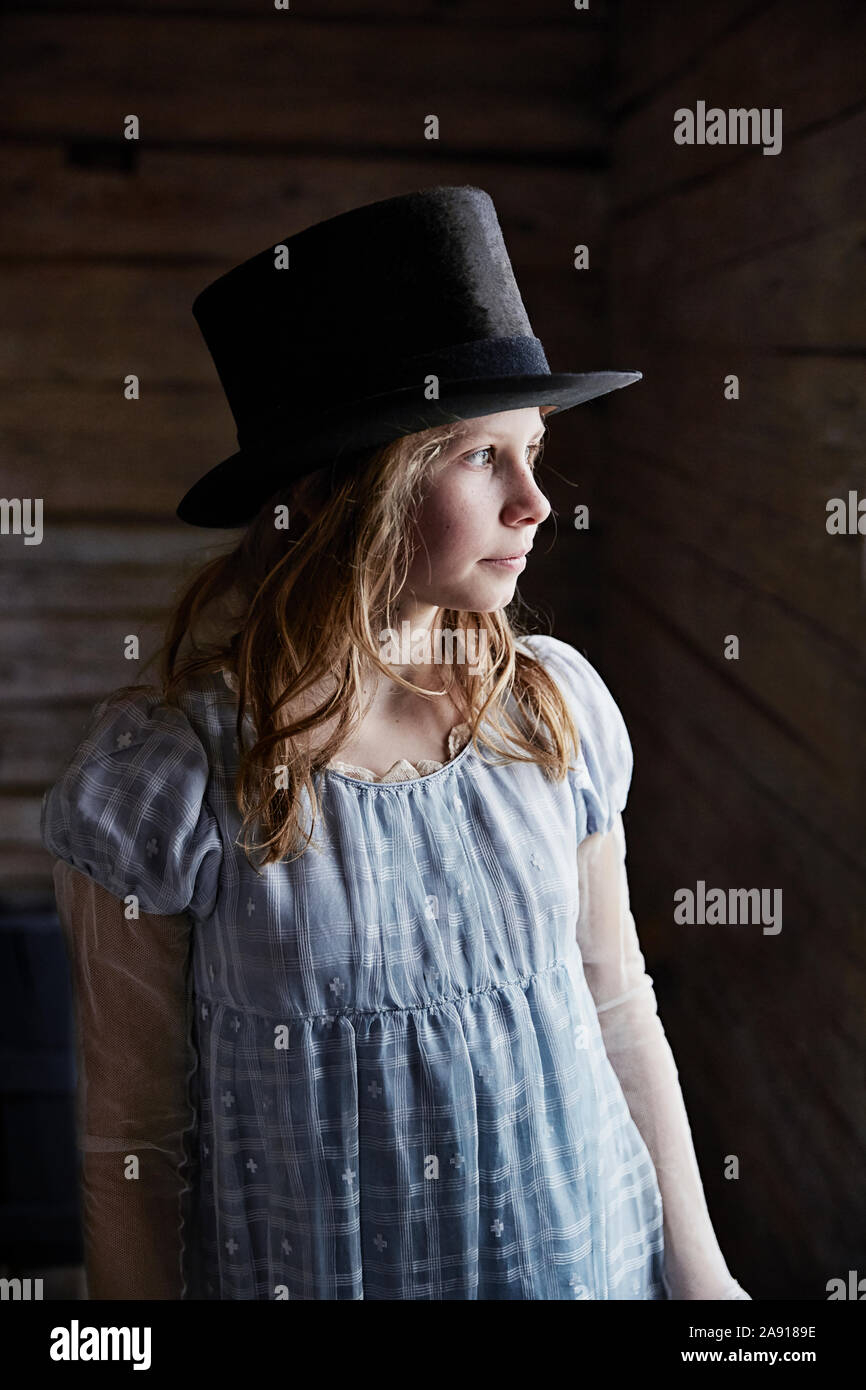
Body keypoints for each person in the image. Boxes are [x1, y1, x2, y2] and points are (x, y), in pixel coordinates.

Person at [41, 187, 750, 1300]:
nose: (535, 503)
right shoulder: (173, 780)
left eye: (535, 452)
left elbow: (615, 1005)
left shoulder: (547, 709)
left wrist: (702, 1279)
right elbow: (131, 1145)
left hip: (581, 1264)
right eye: (481, 458)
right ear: (347, 493)